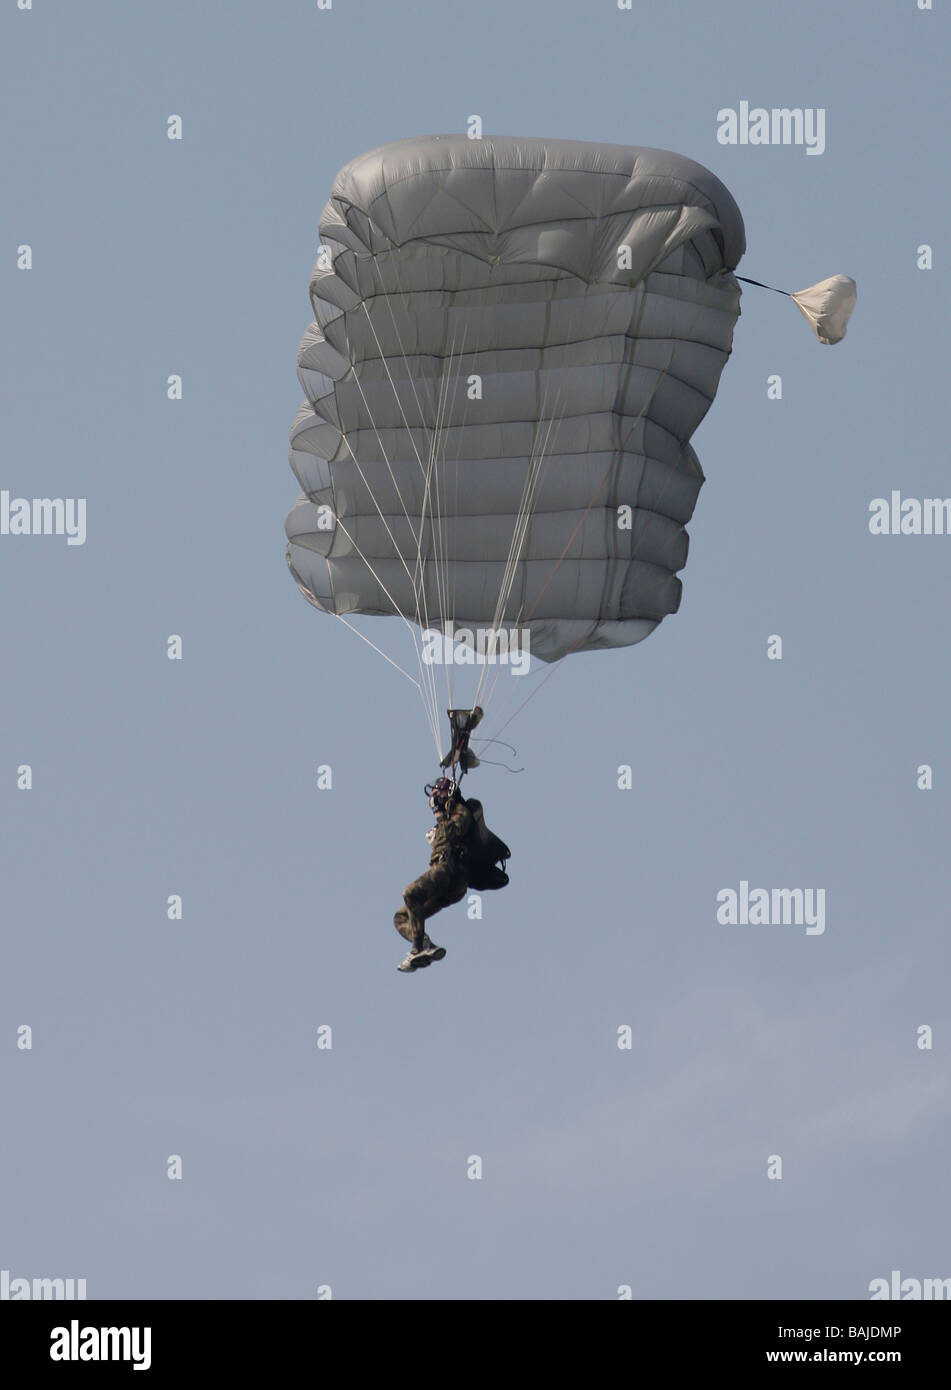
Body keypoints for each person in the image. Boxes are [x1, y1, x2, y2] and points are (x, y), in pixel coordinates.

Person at [394, 776, 510, 973]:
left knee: (410, 893)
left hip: (449, 873)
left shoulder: (462, 813)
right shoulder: (447, 820)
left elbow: (454, 830)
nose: (434, 800)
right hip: (447, 885)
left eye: (438, 794)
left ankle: (417, 948)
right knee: (401, 917)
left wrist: (439, 825)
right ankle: (426, 946)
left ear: (448, 795)